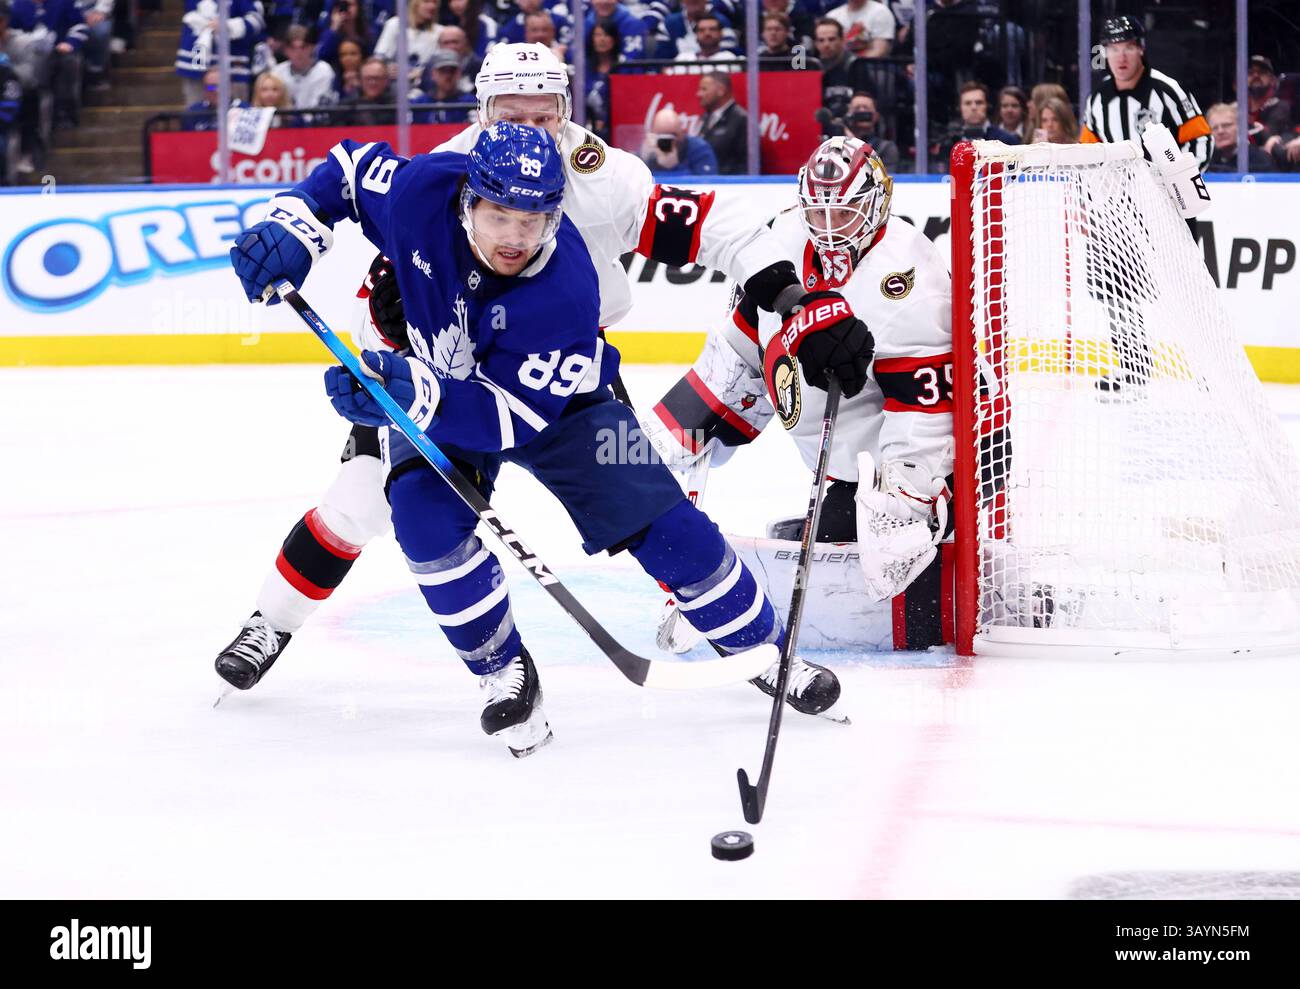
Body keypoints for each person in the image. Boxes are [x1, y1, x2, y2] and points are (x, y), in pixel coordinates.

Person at [213, 42, 869, 720]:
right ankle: (285, 621)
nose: (528, 129)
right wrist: (295, 224)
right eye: (509, 113)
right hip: (426, 368)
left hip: (561, 382)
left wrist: (794, 298)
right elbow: (352, 175)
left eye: (544, 114)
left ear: (567, 111)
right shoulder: (440, 178)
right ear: (482, 113)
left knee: (655, 512)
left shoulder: (602, 183)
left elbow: (717, 229)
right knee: (368, 502)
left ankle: (764, 649)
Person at [641, 136, 955, 642]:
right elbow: (743, 352)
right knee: (648, 464)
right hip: (841, 470)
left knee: (879, 567)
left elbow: (925, 410)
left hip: (926, 466)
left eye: (845, 215)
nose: (829, 230)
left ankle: (945, 535)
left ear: (876, 206)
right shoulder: (781, 240)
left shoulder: (911, 275)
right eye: (819, 213)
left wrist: (902, 506)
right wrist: (676, 433)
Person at [1079, 15, 1211, 394]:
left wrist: (1175, 185)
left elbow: (1201, 140)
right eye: (1113, 49)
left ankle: (1207, 364)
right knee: (1115, 290)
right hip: (1117, 214)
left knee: (1187, 285)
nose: (1120, 56)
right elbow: (1088, 156)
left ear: (1141, 49)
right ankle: (1132, 364)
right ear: (1105, 53)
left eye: (1128, 47)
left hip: (1168, 211)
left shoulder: (1167, 91)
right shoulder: (1098, 100)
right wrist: (1091, 202)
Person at [175, 0, 265, 106]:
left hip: (234, 60)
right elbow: (191, 13)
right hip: (198, 56)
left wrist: (228, 26)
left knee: (236, 109)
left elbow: (256, 20)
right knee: (198, 107)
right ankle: (202, 122)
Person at [937, 81, 1018, 165]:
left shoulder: (1006, 141)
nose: (974, 107)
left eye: (979, 102)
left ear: (987, 106)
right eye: (968, 103)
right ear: (959, 108)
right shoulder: (949, 144)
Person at [271, 24, 337, 114]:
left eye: (303, 47)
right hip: (285, 123)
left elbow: (320, 106)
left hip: (316, 124)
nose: (298, 52)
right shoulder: (277, 72)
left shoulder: (323, 70)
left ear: (312, 48)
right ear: (285, 50)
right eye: (293, 48)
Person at [374, 0, 440, 83]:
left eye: (435, 3)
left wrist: (418, 74)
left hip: (424, 86)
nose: (432, 6)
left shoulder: (440, 32)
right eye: (426, 2)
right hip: (394, 85)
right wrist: (387, 68)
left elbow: (440, 67)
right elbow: (378, 60)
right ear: (414, 3)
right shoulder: (395, 24)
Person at [640, 104, 717, 176]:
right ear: (653, 134)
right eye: (662, 135)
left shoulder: (700, 149)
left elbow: (707, 182)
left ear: (683, 132)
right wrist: (645, 159)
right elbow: (639, 182)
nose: (667, 141)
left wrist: (675, 167)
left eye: (672, 135)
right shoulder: (649, 147)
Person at [696, 69, 747, 174]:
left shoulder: (742, 120)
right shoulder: (707, 118)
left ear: (721, 90)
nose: (699, 94)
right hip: (707, 183)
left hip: (730, 186)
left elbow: (748, 164)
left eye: (704, 89)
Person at [1206, 101, 1273, 174]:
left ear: (1240, 127)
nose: (1220, 131)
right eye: (1215, 128)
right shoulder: (1206, 161)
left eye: (1226, 125)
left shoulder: (1260, 159)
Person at [814, 17, 856, 126]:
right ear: (816, 43)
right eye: (821, 40)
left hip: (850, 126)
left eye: (831, 39)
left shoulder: (855, 65)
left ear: (842, 40)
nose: (826, 44)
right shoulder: (812, 67)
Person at [843, 91, 898, 171]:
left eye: (866, 108)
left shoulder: (886, 148)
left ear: (876, 116)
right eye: (857, 108)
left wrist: (855, 146)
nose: (862, 111)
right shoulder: (840, 146)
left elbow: (885, 180)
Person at [181, 65, 247, 130]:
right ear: (205, 90)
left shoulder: (246, 111)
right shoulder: (193, 113)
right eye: (211, 87)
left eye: (221, 86)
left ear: (230, 87)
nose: (216, 90)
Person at [416, 47, 474, 121]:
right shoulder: (419, 103)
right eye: (442, 71)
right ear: (433, 74)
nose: (448, 76)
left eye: (452, 71)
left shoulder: (470, 103)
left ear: (459, 73)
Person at [824, 0, 893, 58]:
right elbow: (824, 51)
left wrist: (851, 64)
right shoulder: (832, 16)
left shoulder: (880, 12)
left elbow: (880, 51)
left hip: (872, 68)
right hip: (836, 68)